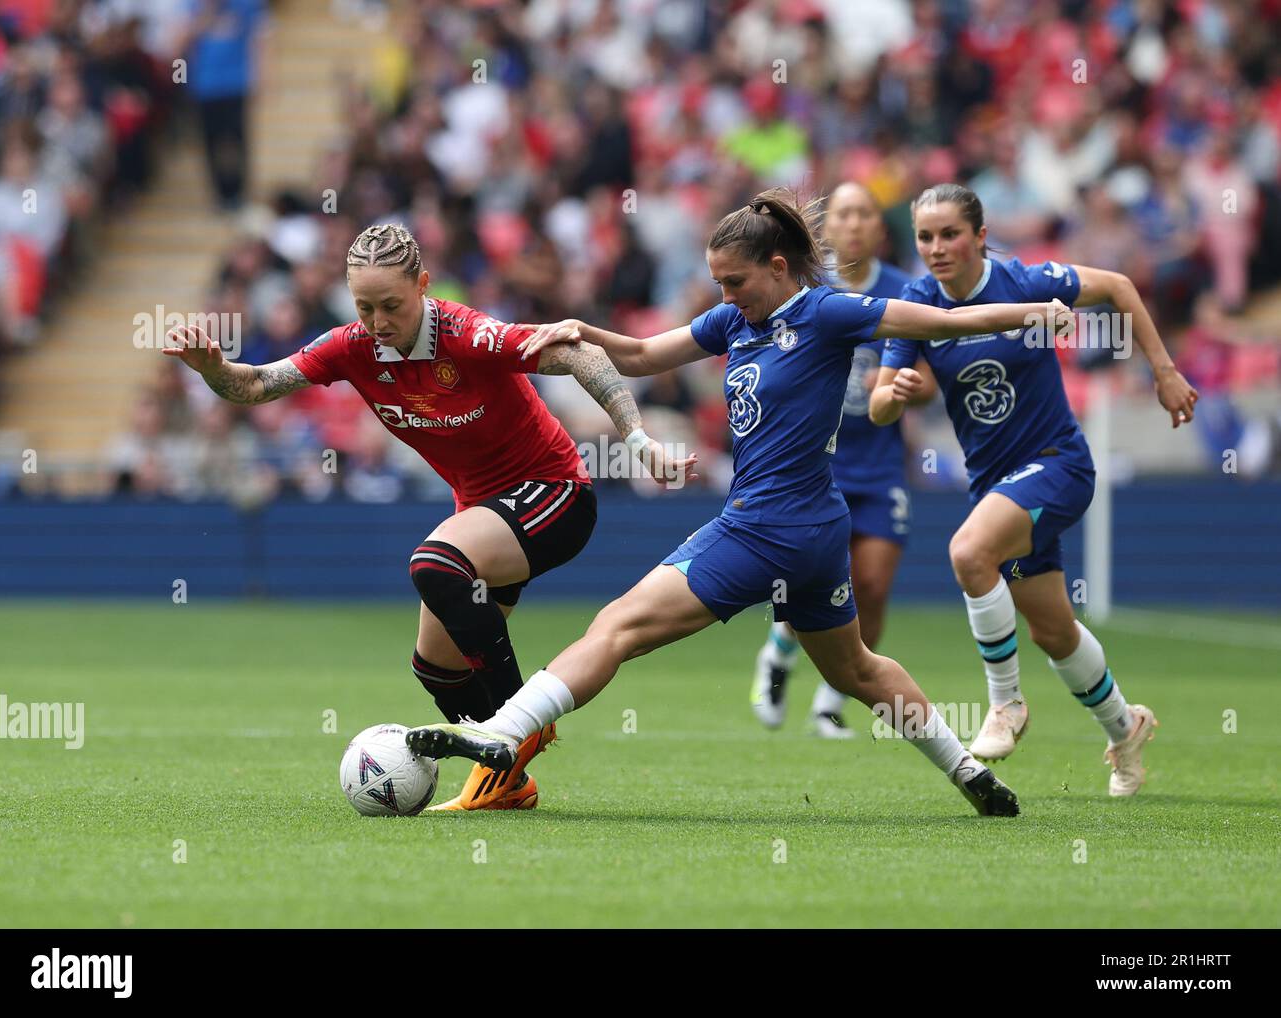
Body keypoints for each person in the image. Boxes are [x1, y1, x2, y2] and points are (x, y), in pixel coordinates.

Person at [406, 187, 1081, 818]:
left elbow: (936, 321)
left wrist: (1031, 313)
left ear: (779, 267)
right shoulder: (736, 320)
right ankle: (969, 773)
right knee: (856, 669)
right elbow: (643, 354)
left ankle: (503, 729)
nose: (727, 296)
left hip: (766, 527)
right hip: (816, 530)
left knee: (617, 627)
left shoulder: (827, 311)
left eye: (736, 282)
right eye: (720, 283)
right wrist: (586, 331)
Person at [163, 223, 695, 811]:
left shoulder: (467, 334)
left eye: (391, 305)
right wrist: (212, 368)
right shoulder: (351, 347)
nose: (377, 320)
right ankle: (508, 787)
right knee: (436, 666)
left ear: (423, 285)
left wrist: (636, 436)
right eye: (363, 306)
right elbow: (258, 383)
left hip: (555, 495)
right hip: (485, 516)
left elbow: (580, 352)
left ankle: (522, 722)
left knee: (435, 563)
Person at [869, 183, 1199, 796]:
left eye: (950, 234)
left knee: (969, 553)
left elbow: (1120, 287)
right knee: (1055, 631)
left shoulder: (1023, 282)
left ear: (981, 236)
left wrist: (1164, 370)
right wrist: (899, 395)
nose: (937, 248)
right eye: (925, 237)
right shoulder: (914, 303)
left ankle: (1006, 705)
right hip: (995, 485)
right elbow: (879, 406)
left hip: (1058, 464)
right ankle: (1125, 729)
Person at [750, 181, 936, 739]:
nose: (854, 224)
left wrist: (910, 388)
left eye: (866, 215)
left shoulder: (908, 291)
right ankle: (779, 653)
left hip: (879, 465)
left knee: (872, 585)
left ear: (881, 229)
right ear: (825, 231)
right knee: (806, 581)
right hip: (812, 465)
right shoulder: (805, 290)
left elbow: (929, 379)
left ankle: (832, 699)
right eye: (844, 214)